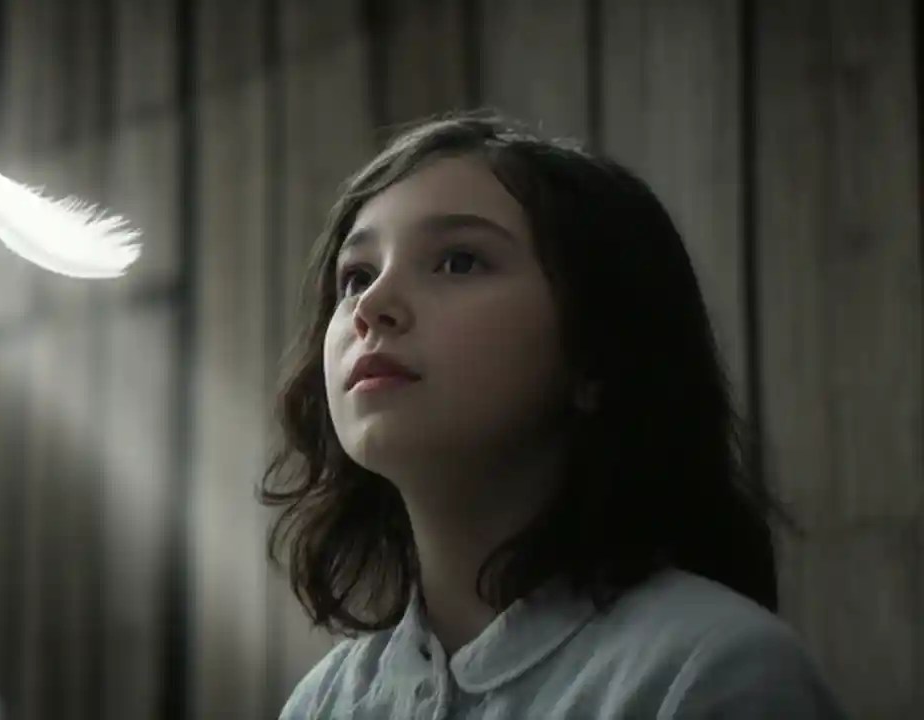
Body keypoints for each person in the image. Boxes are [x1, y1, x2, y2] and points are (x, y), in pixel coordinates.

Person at [257, 111, 850, 719]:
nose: (372, 304)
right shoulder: (322, 704)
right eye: (356, 276)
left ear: (597, 352)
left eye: (458, 261)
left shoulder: (711, 674)